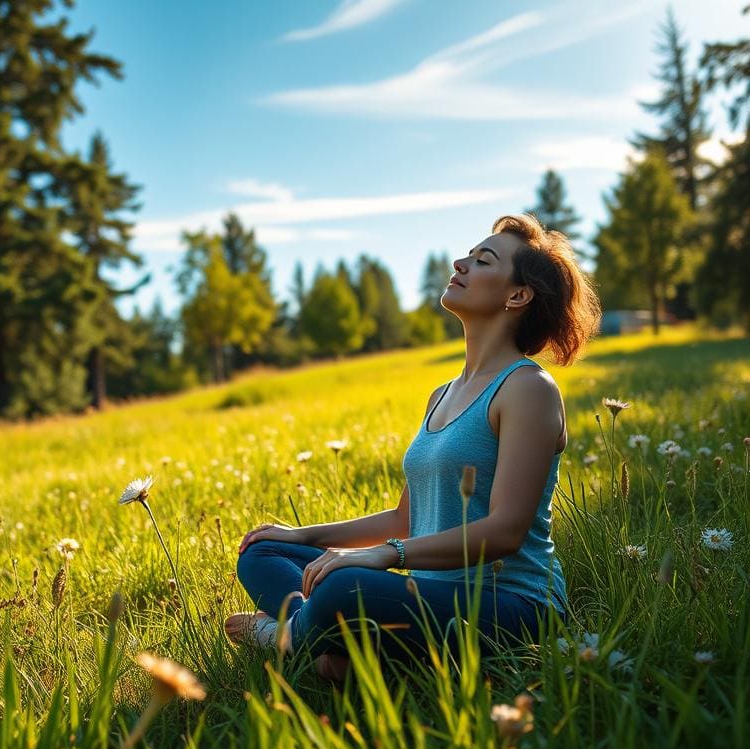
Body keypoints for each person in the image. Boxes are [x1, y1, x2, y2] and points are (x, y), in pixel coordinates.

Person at [225, 213, 601, 680]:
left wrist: (385, 555)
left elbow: (505, 532)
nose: (461, 263)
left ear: (517, 295)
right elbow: (407, 519)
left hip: (512, 607)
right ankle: (341, 650)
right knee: (263, 553)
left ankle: (291, 638)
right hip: (430, 594)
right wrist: (303, 536)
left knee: (343, 588)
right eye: (468, 253)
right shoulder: (441, 395)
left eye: (482, 260)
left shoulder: (527, 389)